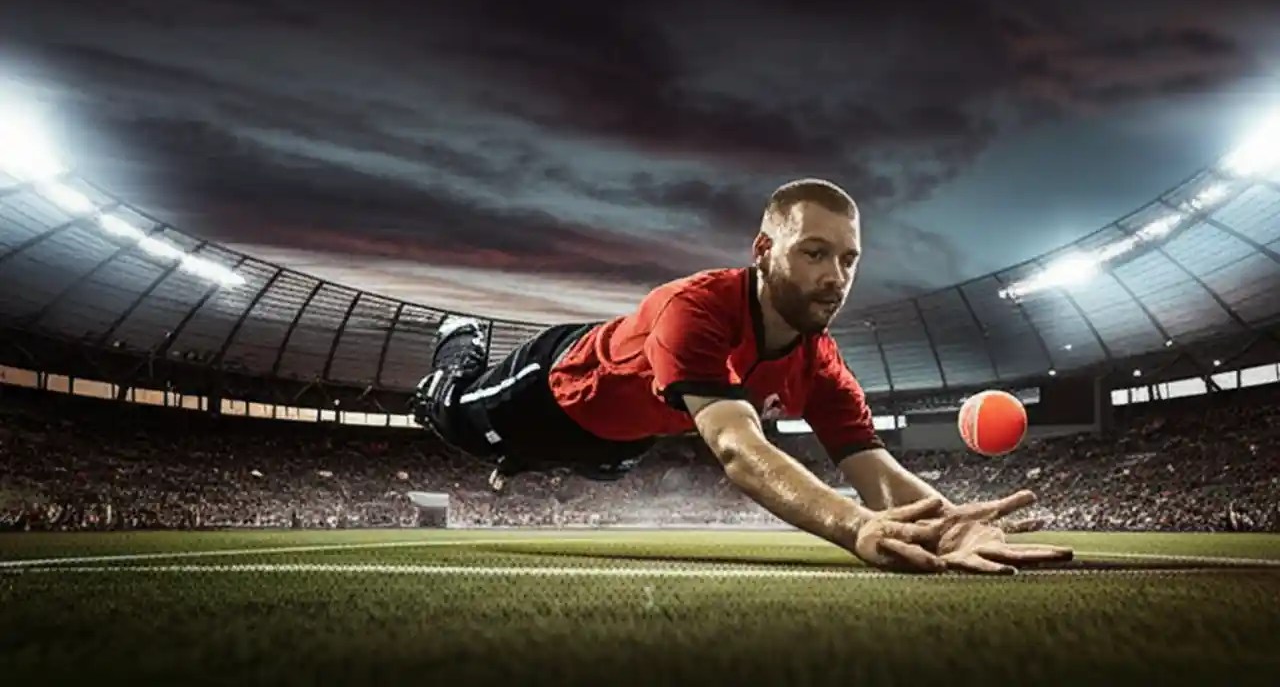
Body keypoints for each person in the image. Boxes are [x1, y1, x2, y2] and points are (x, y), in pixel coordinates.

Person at [411, 178, 1073, 574]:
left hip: (625, 440)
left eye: (848, 259)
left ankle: (526, 464)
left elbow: (875, 470)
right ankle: (458, 346)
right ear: (763, 250)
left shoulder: (822, 363)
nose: (834, 277)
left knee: (608, 463)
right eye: (815, 253)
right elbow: (737, 447)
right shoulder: (694, 310)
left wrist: (946, 521)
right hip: (549, 392)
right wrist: (854, 527)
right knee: (450, 417)